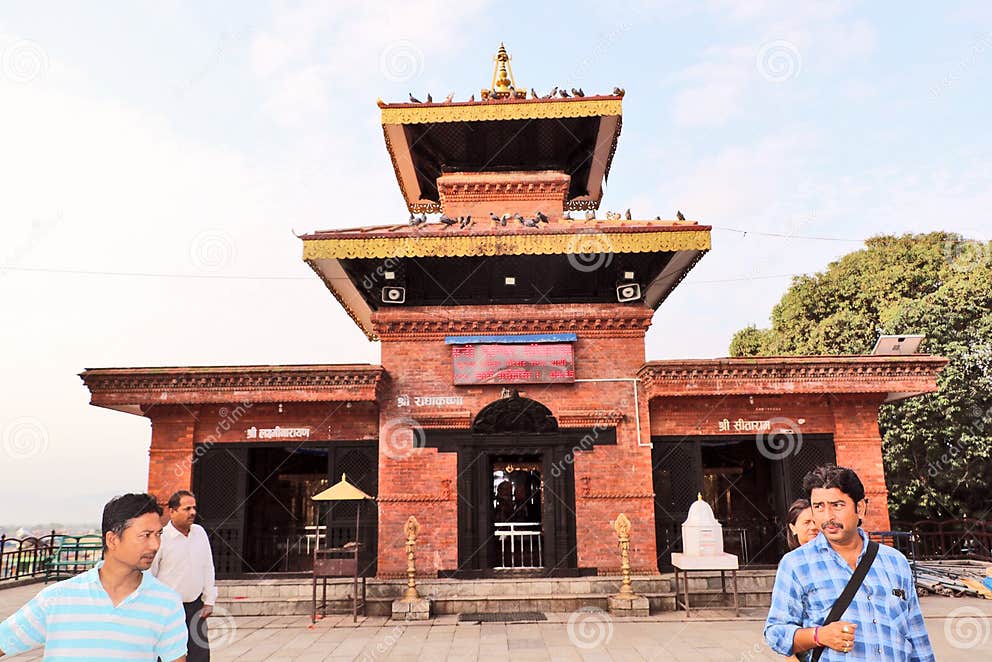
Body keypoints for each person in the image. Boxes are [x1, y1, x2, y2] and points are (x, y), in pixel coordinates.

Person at [765, 464, 935, 661]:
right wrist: (819, 635)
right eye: (818, 506)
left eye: (837, 505)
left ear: (860, 508)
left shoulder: (895, 562)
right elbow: (775, 632)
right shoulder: (796, 565)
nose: (828, 516)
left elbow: (916, 635)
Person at [0, 493, 187, 660]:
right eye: (145, 535)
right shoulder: (58, 598)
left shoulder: (167, 602)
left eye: (158, 534)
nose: (155, 545)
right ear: (112, 540)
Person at [151, 490, 217, 662]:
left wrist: (210, 600)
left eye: (194, 508)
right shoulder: (162, 538)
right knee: (168, 656)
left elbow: (208, 566)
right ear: (172, 511)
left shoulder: (200, 533)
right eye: (187, 508)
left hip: (196, 608)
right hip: (168, 610)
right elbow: (151, 573)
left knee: (200, 656)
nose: (193, 512)